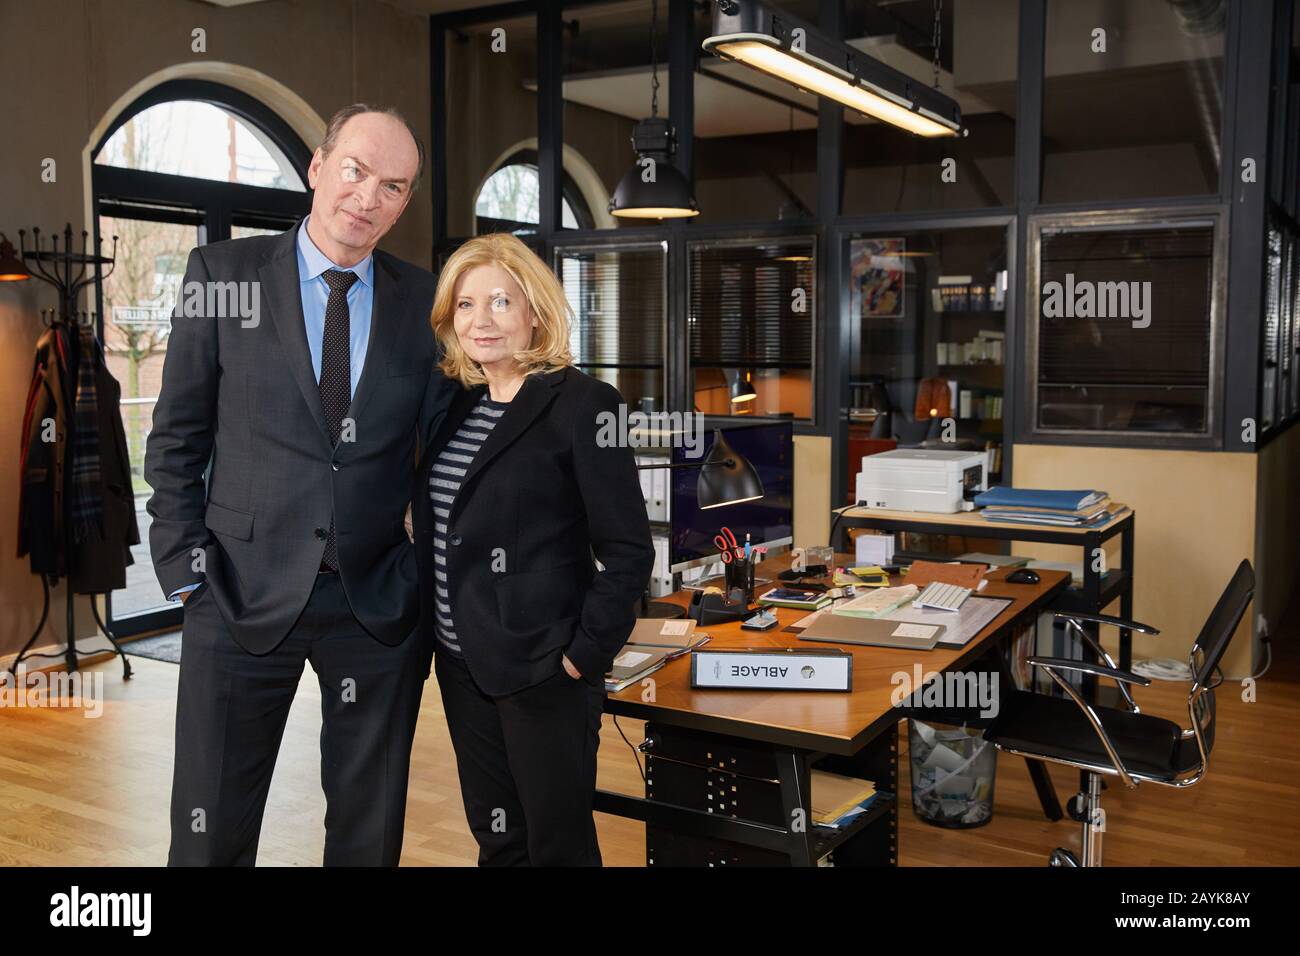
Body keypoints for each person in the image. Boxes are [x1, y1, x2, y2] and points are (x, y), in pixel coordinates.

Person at [144, 104, 453, 866]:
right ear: (317, 167)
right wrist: (188, 576)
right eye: (354, 170)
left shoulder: (428, 302)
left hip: (377, 604)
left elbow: (445, 452)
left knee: (367, 830)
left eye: (393, 186)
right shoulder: (222, 275)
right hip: (238, 592)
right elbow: (176, 438)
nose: (367, 197)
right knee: (210, 826)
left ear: (404, 201)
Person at [411, 233, 654, 866]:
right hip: (461, 663)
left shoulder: (582, 405)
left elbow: (628, 549)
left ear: (536, 313)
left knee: (557, 846)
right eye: (465, 305)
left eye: (500, 302)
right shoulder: (458, 404)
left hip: (543, 669)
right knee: (497, 838)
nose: (480, 321)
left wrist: (581, 658)